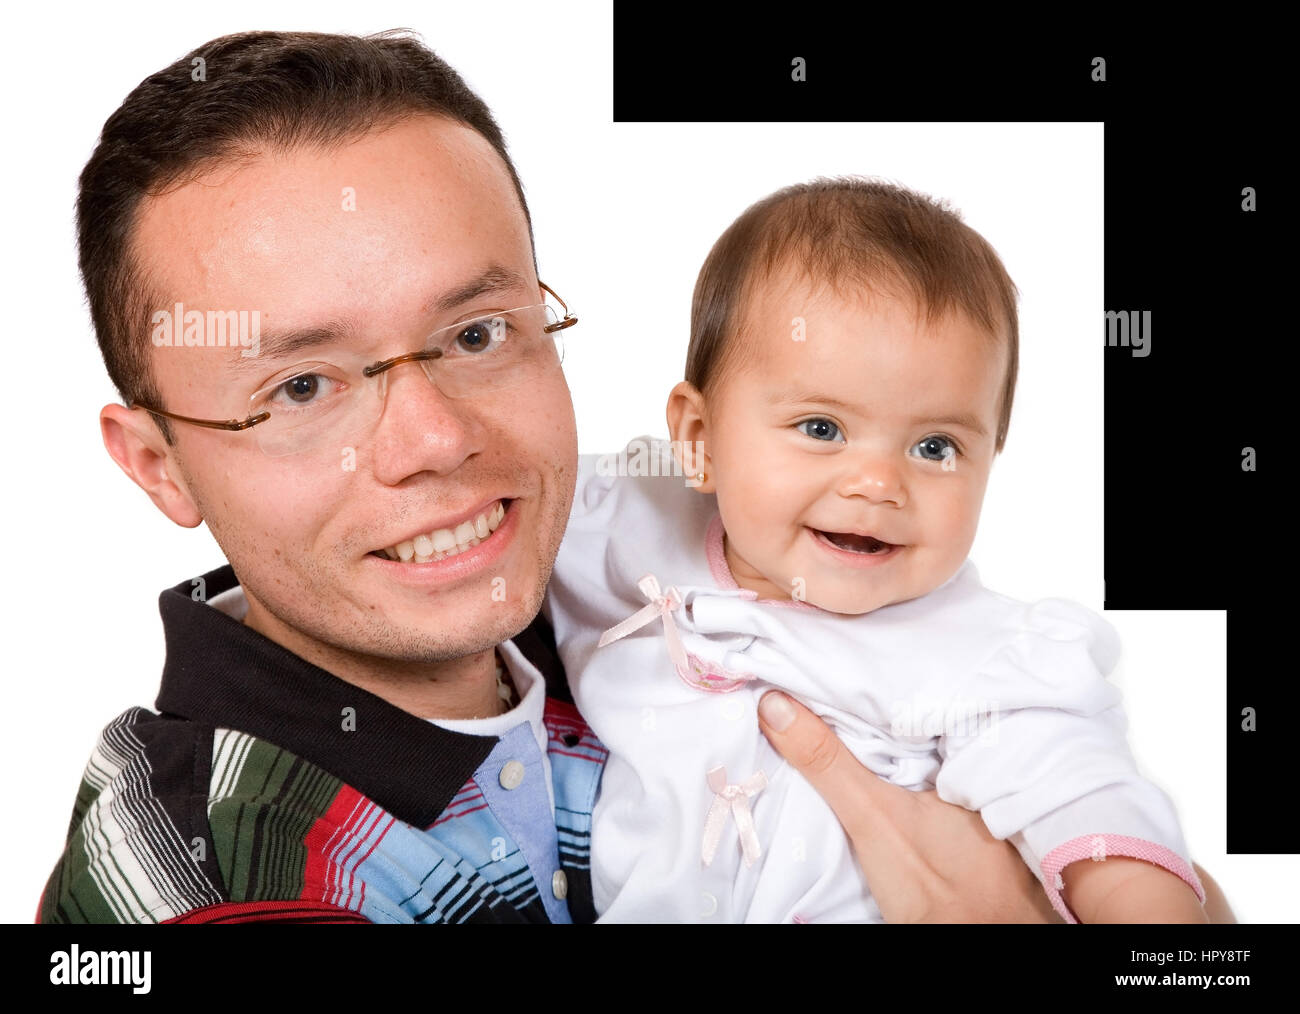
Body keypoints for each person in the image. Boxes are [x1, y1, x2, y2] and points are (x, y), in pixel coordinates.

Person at [36, 28, 1228, 925]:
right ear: (157, 463)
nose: (436, 444)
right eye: (303, 387)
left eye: (476, 334)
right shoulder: (210, 875)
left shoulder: (599, 580)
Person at [544, 179, 1212, 923]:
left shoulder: (982, 657)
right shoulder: (621, 523)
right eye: (822, 428)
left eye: (936, 445)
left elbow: (1093, 809)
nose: (878, 484)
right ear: (698, 441)